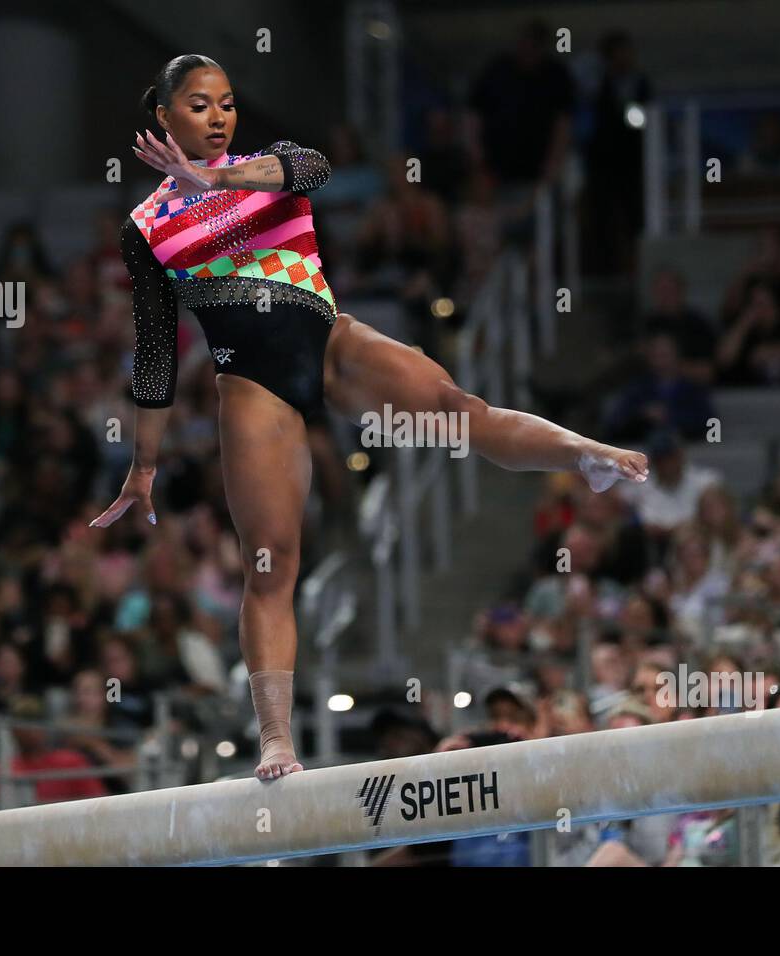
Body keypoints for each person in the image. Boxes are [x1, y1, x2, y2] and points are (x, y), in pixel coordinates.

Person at [91, 54, 649, 781]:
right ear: (163, 117)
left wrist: (220, 179)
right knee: (272, 563)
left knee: (459, 411)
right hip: (253, 383)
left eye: (227, 102)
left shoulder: (272, 164)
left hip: (330, 343)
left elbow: (315, 171)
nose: (220, 116)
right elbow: (158, 354)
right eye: (199, 105)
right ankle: (277, 740)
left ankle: (584, 453)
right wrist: (143, 465)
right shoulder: (145, 226)